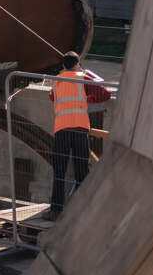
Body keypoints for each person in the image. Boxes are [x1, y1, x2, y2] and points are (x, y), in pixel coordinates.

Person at [47, 52, 109, 219]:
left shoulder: (56, 81)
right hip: (80, 129)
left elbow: (53, 97)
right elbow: (105, 94)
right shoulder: (83, 78)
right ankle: (83, 210)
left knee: (59, 171)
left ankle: (55, 210)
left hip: (61, 129)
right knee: (82, 171)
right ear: (77, 64)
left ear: (63, 65)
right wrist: (90, 84)